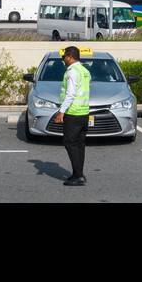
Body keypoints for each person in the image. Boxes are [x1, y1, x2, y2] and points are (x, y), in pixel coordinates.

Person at [52, 45, 91, 186]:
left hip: (73, 113)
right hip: (84, 112)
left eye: (64, 57)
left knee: (69, 143)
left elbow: (70, 94)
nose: (63, 60)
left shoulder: (72, 71)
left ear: (70, 56)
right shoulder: (85, 71)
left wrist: (61, 111)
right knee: (80, 144)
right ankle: (77, 173)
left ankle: (79, 176)